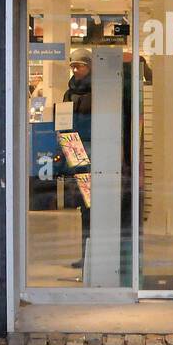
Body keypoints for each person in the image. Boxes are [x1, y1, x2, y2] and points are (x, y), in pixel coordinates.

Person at [64, 47, 94, 269]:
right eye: (73, 66)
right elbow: (63, 123)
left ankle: (94, 255)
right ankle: (86, 255)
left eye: (80, 65)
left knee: (94, 206)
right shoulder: (69, 92)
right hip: (77, 152)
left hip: (96, 152)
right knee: (84, 207)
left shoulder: (99, 91)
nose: (76, 69)